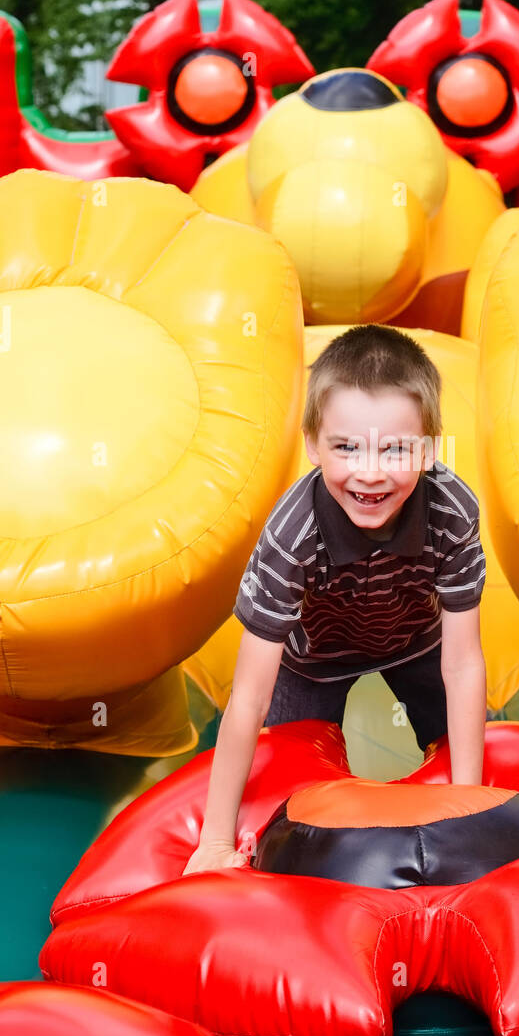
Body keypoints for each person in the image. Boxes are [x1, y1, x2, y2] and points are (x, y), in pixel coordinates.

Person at [182, 324, 488, 876]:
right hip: (313, 662)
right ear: (311, 443)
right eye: (346, 447)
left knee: (467, 744)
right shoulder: (291, 537)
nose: (369, 473)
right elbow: (249, 696)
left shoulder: (453, 512)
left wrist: (468, 808)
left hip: (416, 643)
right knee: (285, 801)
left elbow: (463, 663)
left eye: (395, 449)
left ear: (431, 450)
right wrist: (215, 841)